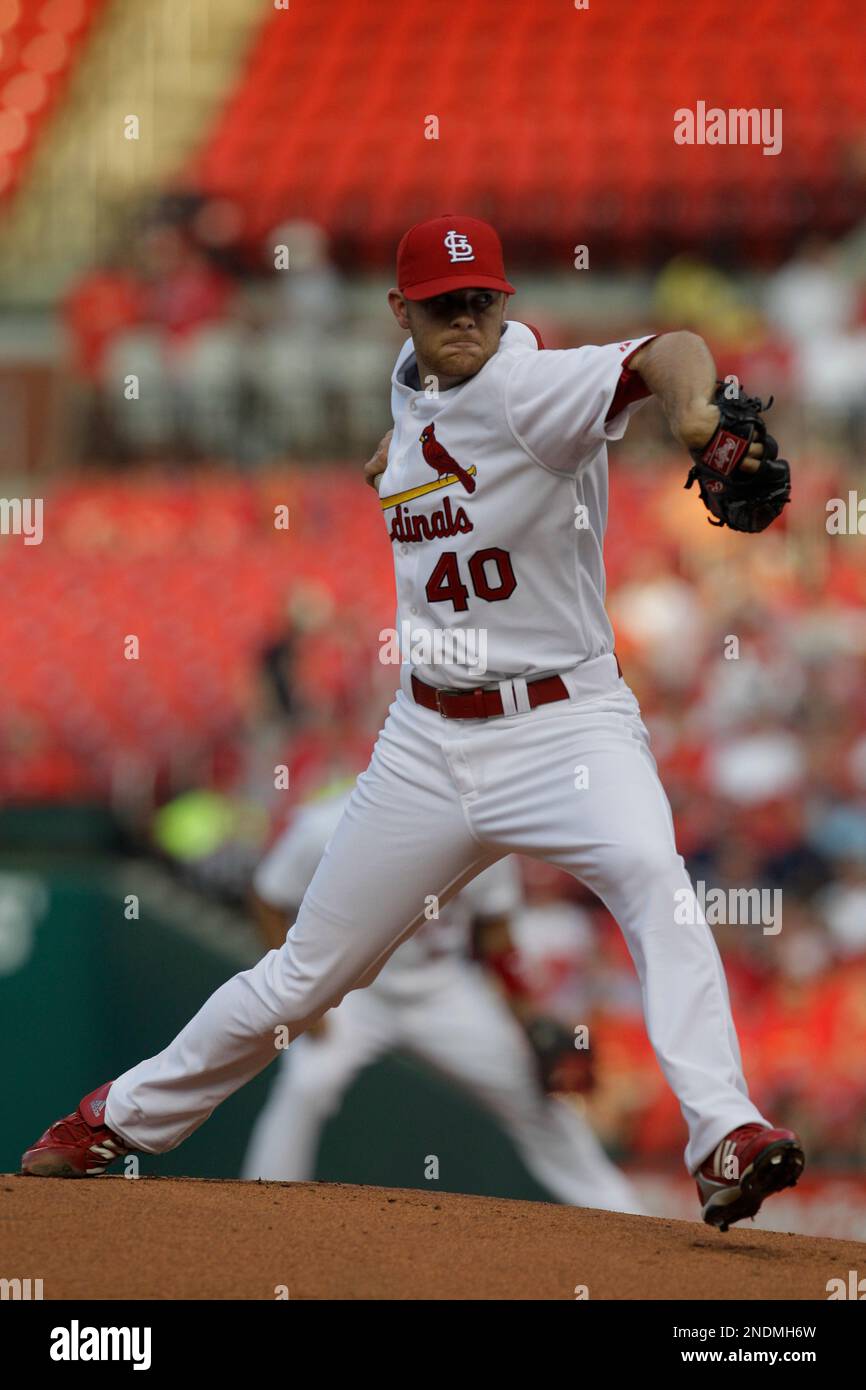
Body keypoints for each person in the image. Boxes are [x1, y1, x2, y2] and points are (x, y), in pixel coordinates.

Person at [23, 213, 803, 1230]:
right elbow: (424, 446)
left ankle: (723, 1134)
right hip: (428, 742)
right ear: (401, 313)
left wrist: (700, 421)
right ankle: (112, 1123)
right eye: (444, 304)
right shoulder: (408, 393)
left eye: (481, 297)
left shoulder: (532, 386)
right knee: (303, 979)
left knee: (656, 882)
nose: (466, 316)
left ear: (504, 302)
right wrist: (391, 462)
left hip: (565, 727)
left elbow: (667, 353)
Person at [241, 780, 642, 1214]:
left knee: (532, 1091)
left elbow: (494, 933)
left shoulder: (484, 832)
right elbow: (268, 897)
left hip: (440, 988)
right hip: (351, 988)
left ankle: (623, 1215)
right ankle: (264, 1209)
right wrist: (297, 996)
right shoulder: (330, 824)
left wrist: (528, 1018)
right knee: (307, 1084)